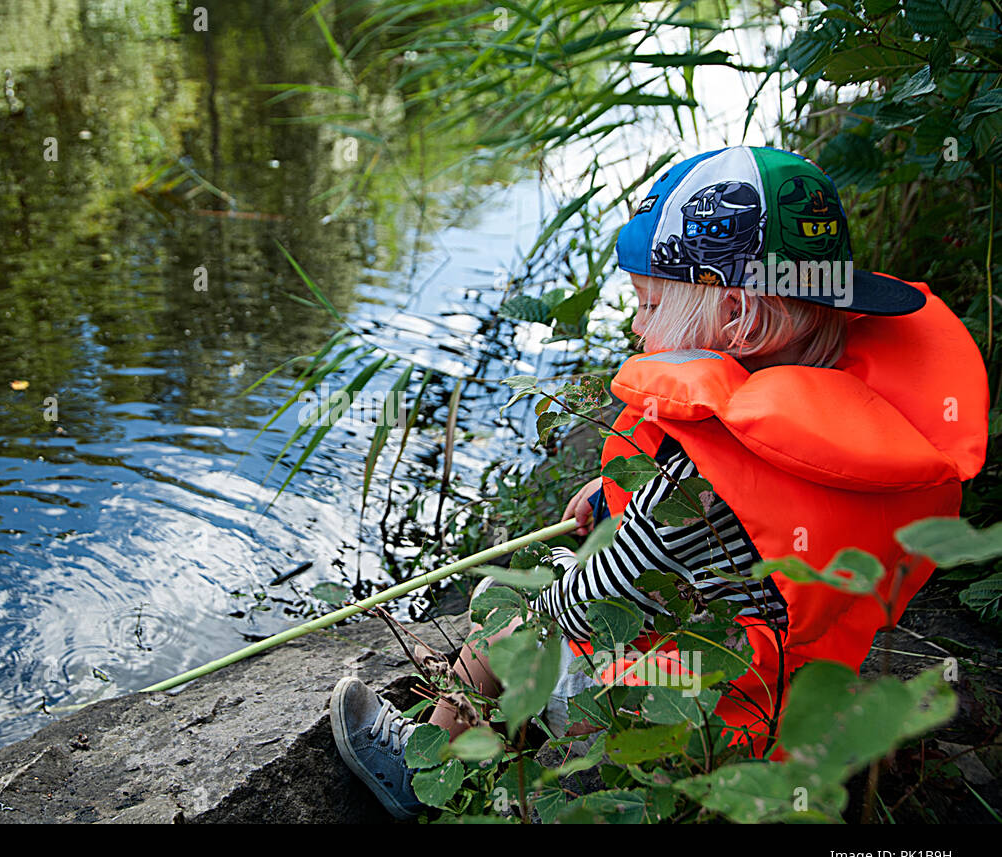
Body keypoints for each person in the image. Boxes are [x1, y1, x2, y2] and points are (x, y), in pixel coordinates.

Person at [329, 145, 989, 820]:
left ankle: (423, 766)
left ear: (738, 316)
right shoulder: (860, 435)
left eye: (647, 305)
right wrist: (612, 497)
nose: (637, 326)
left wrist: (581, 561)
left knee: (505, 608)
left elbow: (583, 602)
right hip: (785, 703)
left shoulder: (694, 489)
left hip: (683, 726)